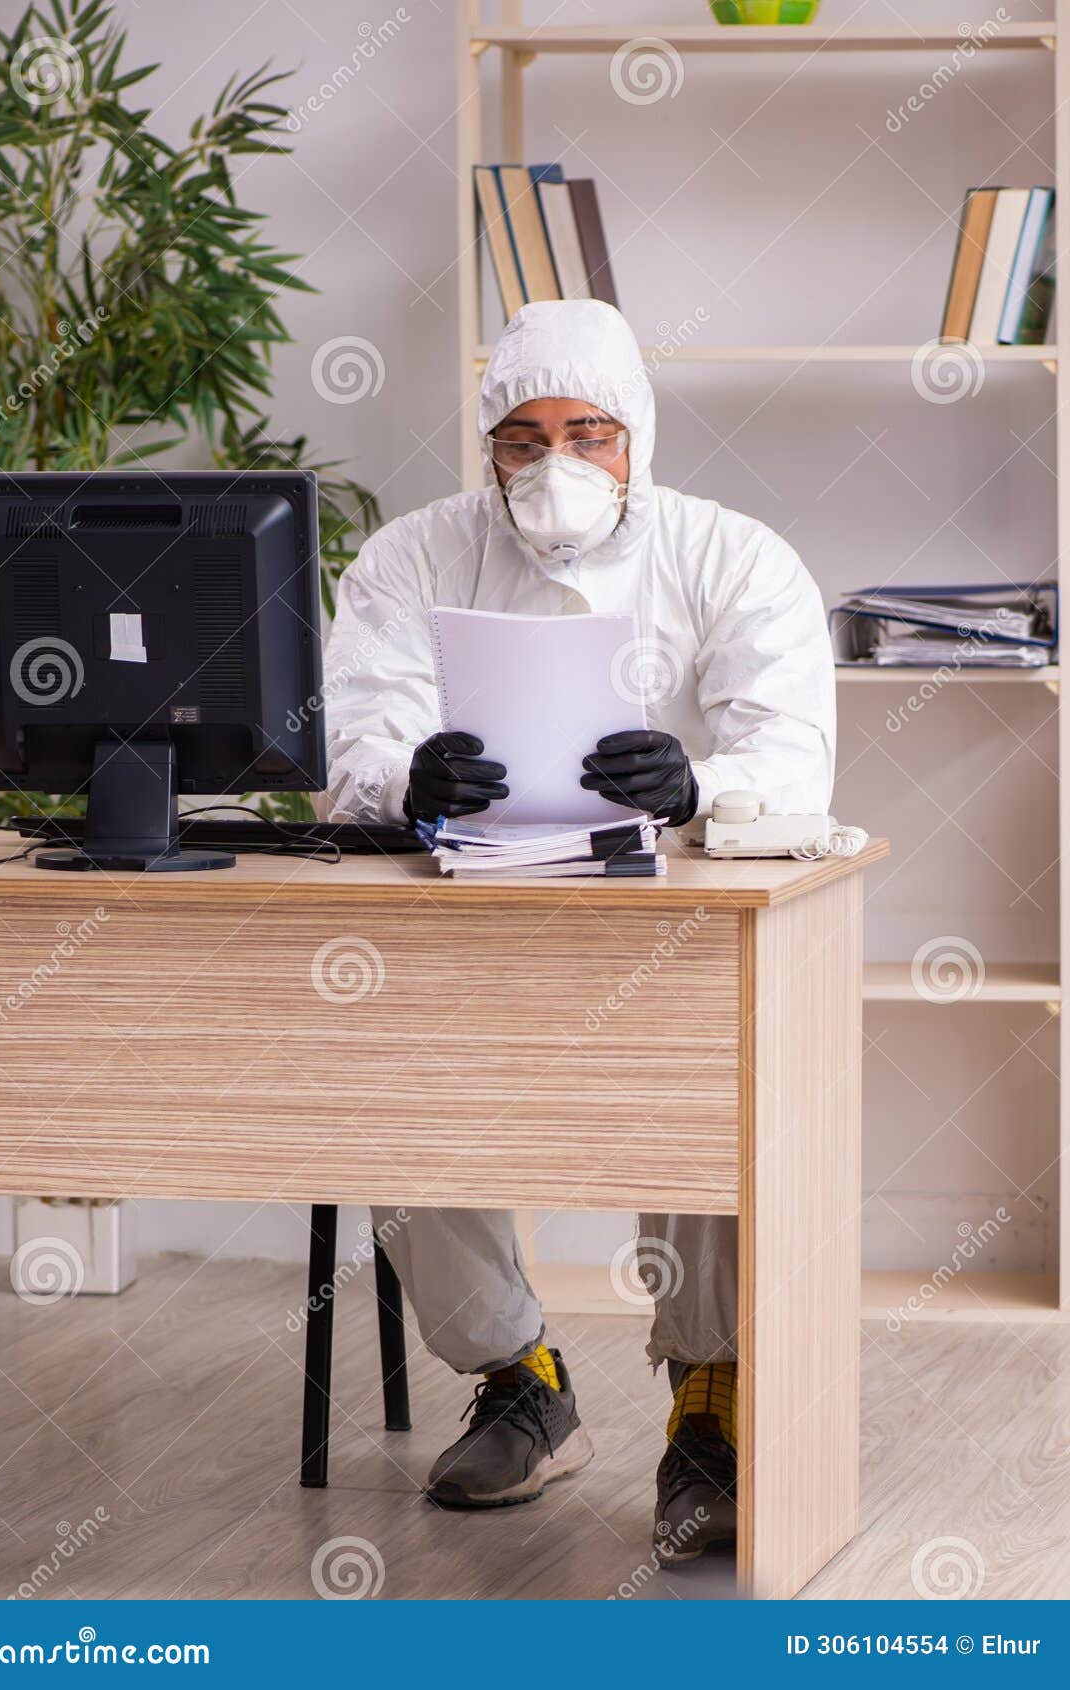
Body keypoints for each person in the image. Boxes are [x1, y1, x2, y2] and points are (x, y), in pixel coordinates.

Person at [324, 299, 835, 1562]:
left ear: (636, 438)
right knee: (393, 1073)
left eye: (588, 434)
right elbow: (356, 746)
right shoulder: (410, 555)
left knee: (726, 1085)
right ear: (486, 444)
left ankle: (706, 1401)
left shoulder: (731, 555)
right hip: (467, 915)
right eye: (522, 437)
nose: (555, 465)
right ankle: (519, 1375)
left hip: (665, 927)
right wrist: (407, 779)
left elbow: (796, 752)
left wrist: (699, 786)